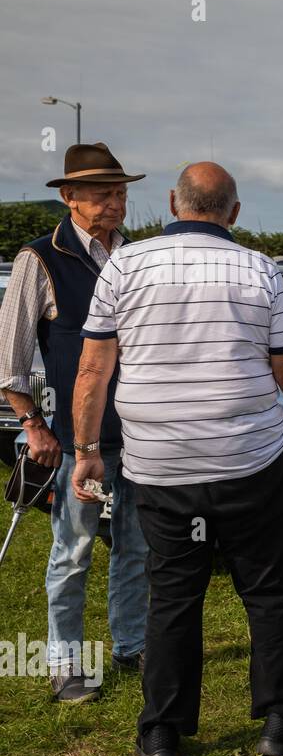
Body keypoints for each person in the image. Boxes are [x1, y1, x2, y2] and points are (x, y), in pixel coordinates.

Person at [70, 162, 283, 756]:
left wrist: (86, 449)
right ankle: (280, 720)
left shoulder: (124, 265)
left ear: (172, 201)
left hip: (159, 463)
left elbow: (93, 369)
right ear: (233, 211)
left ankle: (162, 734)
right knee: (268, 588)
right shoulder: (259, 268)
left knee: (172, 594)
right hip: (249, 460)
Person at [0, 142, 150, 703]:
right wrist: (33, 425)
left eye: (121, 192)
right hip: (77, 441)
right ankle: (64, 662)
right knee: (73, 550)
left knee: (137, 547)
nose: (115, 203)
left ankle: (132, 644)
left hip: (141, 433)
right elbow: (9, 358)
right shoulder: (38, 257)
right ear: (69, 197)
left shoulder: (136, 256)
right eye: (102, 193)